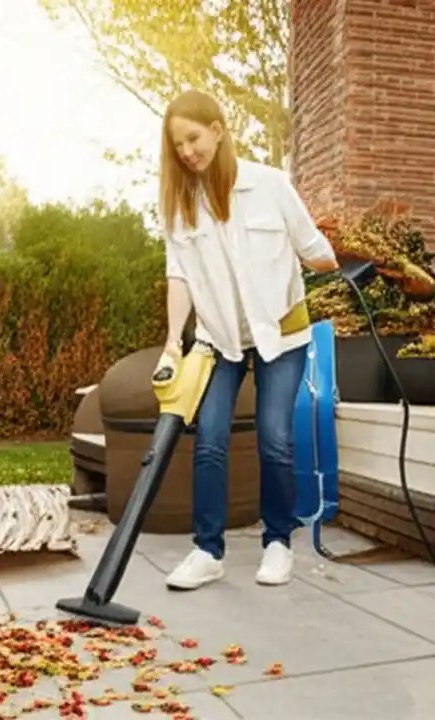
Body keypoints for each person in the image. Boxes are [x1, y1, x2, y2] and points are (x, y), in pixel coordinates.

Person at [155, 89, 339, 591]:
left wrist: (336, 259)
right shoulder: (180, 205)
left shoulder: (270, 185)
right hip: (221, 339)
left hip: (281, 333)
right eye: (177, 145)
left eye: (193, 138)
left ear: (218, 129)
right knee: (209, 440)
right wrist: (173, 340)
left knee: (275, 437)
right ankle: (206, 551)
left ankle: (278, 542)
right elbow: (179, 276)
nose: (187, 152)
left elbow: (311, 246)